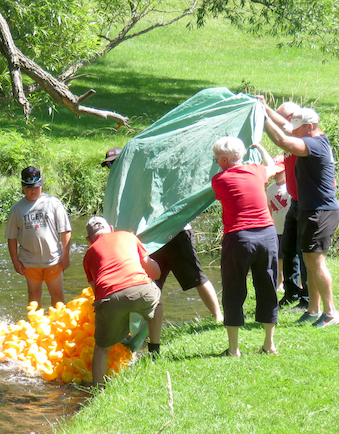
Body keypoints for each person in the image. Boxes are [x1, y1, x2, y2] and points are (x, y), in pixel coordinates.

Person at [101, 147, 222, 355]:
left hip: (176, 232)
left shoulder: (144, 176)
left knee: (195, 276)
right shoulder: (119, 187)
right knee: (153, 287)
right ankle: (152, 346)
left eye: (114, 163)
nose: (111, 168)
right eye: (109, 165)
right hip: (151, 239)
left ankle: (219, 318)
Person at [263, 107, 339, 327]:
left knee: (316, 263)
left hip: (320, 211)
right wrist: (267, 110)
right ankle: (314, 309)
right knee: (310, 261)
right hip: (312, 209)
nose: (293, 132)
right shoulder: (310, 136)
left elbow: (282, 141)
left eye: (298, 129)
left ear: (309, 126)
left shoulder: (315, 145)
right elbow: (286, 128)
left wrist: (262, 119)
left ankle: (331, 312)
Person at [212, 137, 280, 356]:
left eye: (216, 159)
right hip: (268, 236)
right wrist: (261, 149)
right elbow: (273, 167)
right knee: (268, 286)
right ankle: (269, 345)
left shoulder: (219, 179)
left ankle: (233, 349)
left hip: (239, 238)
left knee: (234, 289)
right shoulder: (256, 170)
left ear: (223, 159)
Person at [83, 216, 161, 385]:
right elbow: (154, 272)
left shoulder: (88, 255)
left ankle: (98, 391)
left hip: (109, 299)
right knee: (157, 298)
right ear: (111, 228)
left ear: (90, 240)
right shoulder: (128, 236)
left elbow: (97, 291)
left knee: (101, 348)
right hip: (141, 290)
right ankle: (154, 350)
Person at [259, 99, 308, 307]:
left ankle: (307, 297)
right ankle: (291, 293)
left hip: (308, 202)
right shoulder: (292, 133)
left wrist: (264, 116)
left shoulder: (302, 139)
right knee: (288, 249)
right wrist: (266, 110)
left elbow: (281, 133)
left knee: (305, 251)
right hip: (296, 202)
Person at [5, 166, 71, 308]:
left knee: (58, 297)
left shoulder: (53, 203)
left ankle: (58, 327)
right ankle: (35, 328)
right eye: (29, 188)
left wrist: (65, 255)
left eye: (36, 187)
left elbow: (65, 230)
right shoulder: (17, 209)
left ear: (41, 184)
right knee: (34, 297)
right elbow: (11, 238)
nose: (33, 191)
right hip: (29, 262)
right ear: (23, 186)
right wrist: (15, 261)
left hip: (53, 260)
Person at [265, 155, 291, 291]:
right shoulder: (270, 189)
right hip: (276, 229)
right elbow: (268, 209)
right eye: (275, 171)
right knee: (278, 257)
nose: (277, 174)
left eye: (280, 171)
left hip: (289, 228)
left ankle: (295, 282)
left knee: (291, 256)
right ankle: (279, 282)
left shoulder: (291, 187)